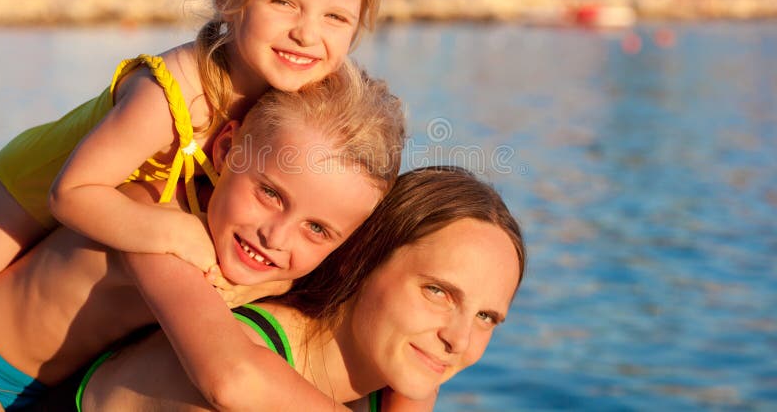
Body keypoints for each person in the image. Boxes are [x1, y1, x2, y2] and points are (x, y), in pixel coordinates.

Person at [0, 0, 386, 288]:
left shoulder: (307, 100)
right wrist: (175, 232)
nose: (307, 35)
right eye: (284, 3)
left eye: (336, 17)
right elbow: (70, 193)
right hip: (17, 197)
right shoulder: (171, 94)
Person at [0, 62, 406, 411]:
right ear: (225, 150)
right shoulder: (153, 217)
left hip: (50, 386)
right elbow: (225, 375)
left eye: (316, 229)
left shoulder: (255, 245)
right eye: (270, 193)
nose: (274, 236)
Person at [75, 166, 527, 412]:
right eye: (438, 292)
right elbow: (233, 382)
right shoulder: (226, 357)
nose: (459, 340)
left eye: (486, 317)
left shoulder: (390, 375)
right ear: (362, 257)